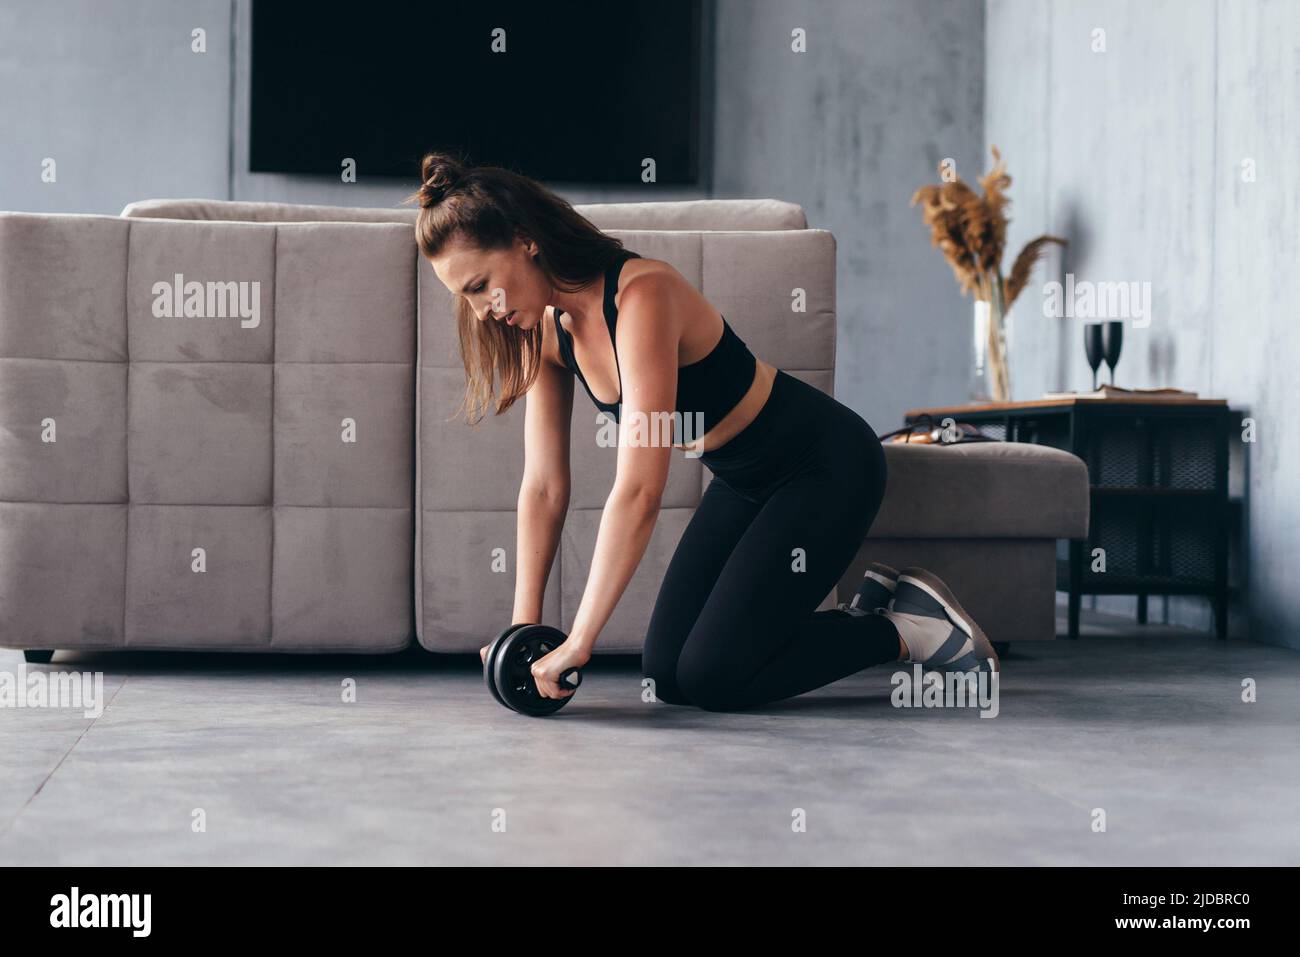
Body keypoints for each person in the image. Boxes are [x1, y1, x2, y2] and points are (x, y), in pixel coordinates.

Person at [408, 152, 998, 713]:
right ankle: (874, 609)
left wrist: (581, 637)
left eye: (481, 285)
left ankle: (905, 631)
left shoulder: (642, 297)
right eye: (467, 298)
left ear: (523, 240)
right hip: (743, 482)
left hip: (824, 466)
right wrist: (525, 627)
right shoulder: (548, 334)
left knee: (715, 676)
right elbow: (543, 487)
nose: (483, 309)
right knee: (667, 674)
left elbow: (639, 489)